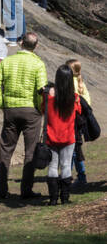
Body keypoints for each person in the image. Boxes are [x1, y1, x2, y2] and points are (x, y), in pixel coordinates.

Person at [0, 31, 48, 201]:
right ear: (35, 46)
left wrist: (3, 104)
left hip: (11, 109)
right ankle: (26, 189)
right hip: (31, 111)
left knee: (6, 150)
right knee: (30, 151)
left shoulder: (7, 61)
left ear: (21, 43)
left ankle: (2, 189)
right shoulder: (38, 64)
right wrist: (39, 107)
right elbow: (41, 90)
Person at [44, 64, 80, 206]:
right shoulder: (74, 98)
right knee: (66, 166)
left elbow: (42, 110)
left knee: (52, 167)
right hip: (68, 137)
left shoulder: (47, 96)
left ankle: (53, 199)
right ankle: (65, 198)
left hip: (51, 137)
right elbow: (79, 112)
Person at [66, 58, 91, 187]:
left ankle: (71, 176)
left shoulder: (70, 84)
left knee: (72, 150)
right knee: (76, 149)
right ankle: (77, 175)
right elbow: (88, 102)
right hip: (80, 120)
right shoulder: (81, 83)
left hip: (73, 120)